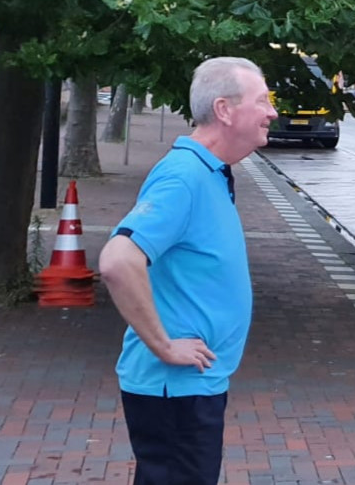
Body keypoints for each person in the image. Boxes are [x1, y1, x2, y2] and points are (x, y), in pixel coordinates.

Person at [99, 57, 278, 484]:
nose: (272, 111)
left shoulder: (209, 172)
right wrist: (164, 346)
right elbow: (117, 261)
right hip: (174, 388)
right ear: (224, 110)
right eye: (263, 100)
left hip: (191, 387)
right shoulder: (184, 178)